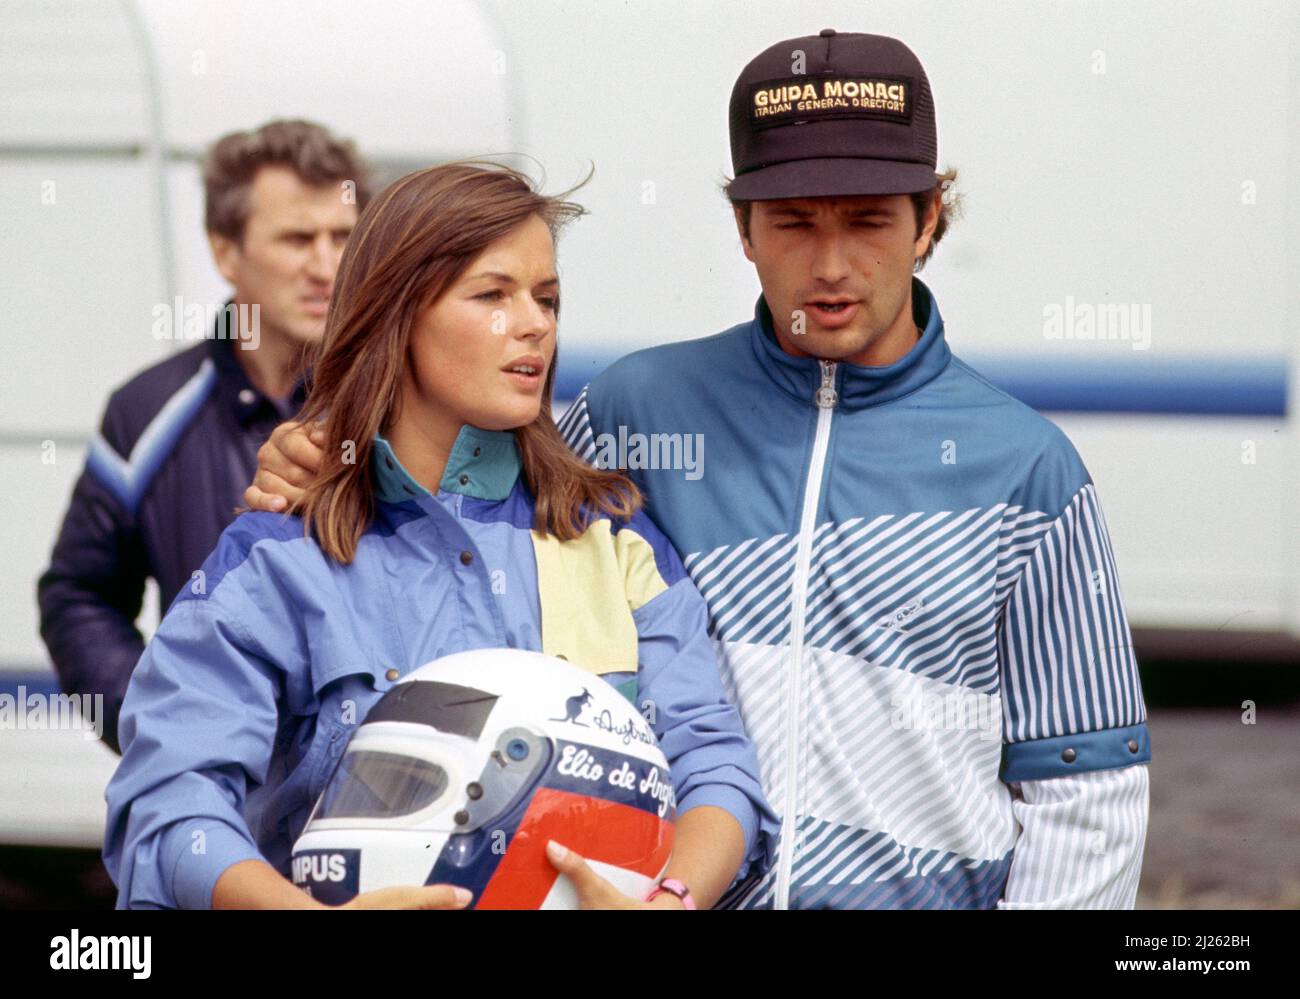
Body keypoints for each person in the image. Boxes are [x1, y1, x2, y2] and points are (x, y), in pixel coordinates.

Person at [248, 31, 1151, 910]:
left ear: (929, 223)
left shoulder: (1029, 468)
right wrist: (331, 457)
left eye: (870, 220)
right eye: (793, 222)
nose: (830, 264)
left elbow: (1086, 786)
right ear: (742, 229)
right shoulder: (636, 410)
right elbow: (457, 521)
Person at [103, 162, 776, 910]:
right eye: (493, 294)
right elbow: (170, 800)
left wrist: (674, 900)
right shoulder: (278, 553)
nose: (536, 322)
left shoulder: (617, 544)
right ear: (395, 313)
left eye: (547, 298)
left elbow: (714, 767)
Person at [38, 119, 369, 752]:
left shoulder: (401, 405)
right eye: (299, 239)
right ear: (225, 251)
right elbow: (79, 595)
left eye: (345, 237)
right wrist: (164, 730)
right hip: (214, 808)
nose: (328, 266)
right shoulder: (148, 410)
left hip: (376, 808)